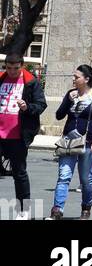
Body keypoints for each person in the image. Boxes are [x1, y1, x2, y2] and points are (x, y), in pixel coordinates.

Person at [50, 64, 92, 220]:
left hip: (88, 141)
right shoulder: (71, 94)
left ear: (86, 79)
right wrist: (67, 101)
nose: (73, 79)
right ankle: (57, 210)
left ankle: (86, 208)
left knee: (86, 179)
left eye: (76, 77)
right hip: (69, 141)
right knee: (64, 176)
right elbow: (59, 115)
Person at [0, 51, 47, 219]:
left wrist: (27, 107)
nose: (12, 71)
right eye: (9, 67)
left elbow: (41, 105)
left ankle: (23, 210)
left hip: (18, 136)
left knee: (19, 173)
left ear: (22, 66)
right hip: (0, 133)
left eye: (16, 68)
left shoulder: (31, 82)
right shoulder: (1, 78)